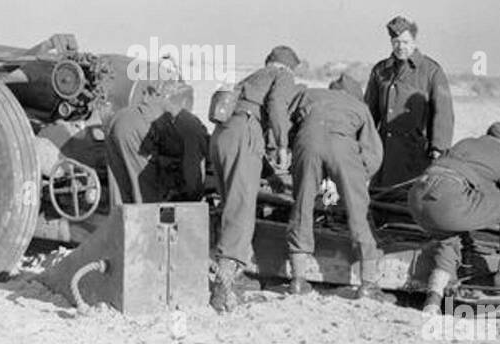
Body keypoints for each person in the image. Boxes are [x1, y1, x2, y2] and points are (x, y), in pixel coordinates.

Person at [208, 46, 300, 312]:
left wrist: (269, 174)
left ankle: (233, 281)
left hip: (222, 136)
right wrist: (283, 145)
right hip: (244, 133)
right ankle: (223, 288)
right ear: (286, 66)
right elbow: (277, 106)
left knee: (231, 205)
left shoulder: (250, 80)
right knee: (242, 210)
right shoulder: (281, 75)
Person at [407, 122, 500, 312]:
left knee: (450, 237)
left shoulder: (466, 143)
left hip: (418, 197)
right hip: (450, 199)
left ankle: (433, 299)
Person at [285, 74, 384, 298]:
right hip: (342, 147)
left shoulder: (308, 94)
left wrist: (295, 160)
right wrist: (356, 179)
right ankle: (368, 283)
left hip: (307, 141)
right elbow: (373, 154)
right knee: (358, 213)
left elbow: (288, 127)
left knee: (301, 207)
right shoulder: (359, 106)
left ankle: (298, 280)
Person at [364, 15, 454, 190]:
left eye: (405, 42)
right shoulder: (381, 70)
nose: (401, 47)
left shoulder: (431, 71)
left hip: (415, 151)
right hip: (385, 151)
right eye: (396, 42)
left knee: (409, 200)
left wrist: (438, 148)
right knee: (381, 198)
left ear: (414, 41)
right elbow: (369, 112)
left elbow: (443, 113)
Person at [105, 80, 170, 204]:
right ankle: (144, 215)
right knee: (143, 179)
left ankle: (122, 213)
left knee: (120, 178)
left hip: (117, 119)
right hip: (137, 125)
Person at [155, 83, 210, 201]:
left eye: (163, 98)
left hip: (186, 194)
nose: (160, 102)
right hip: (174, 188)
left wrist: (189, 195)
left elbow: (192, 165)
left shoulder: (189, 126)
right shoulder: (169, 121)